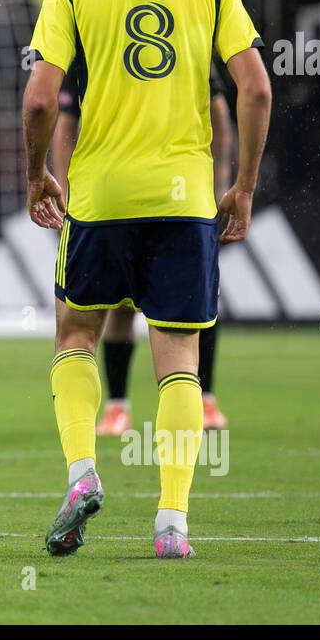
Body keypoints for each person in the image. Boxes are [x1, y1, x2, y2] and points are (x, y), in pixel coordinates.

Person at [22, 0, 271, 559]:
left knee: (75, 336)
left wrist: (38, 173)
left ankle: (81, 473)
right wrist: (243, 185)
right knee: (180, 361)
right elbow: (255, 89)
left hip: (98, 199)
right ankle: (172, 524)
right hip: (184, 200)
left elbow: (42, 100)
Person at [52, 63, 236, 435]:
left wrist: (222, 182)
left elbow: (220, 109)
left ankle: (204, 398)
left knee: (192, 306)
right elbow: (66, 120)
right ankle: (122, 408)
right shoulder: (96, 41)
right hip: (139, 196)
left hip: (163, 194)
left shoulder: (182, 34)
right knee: (133, 306)